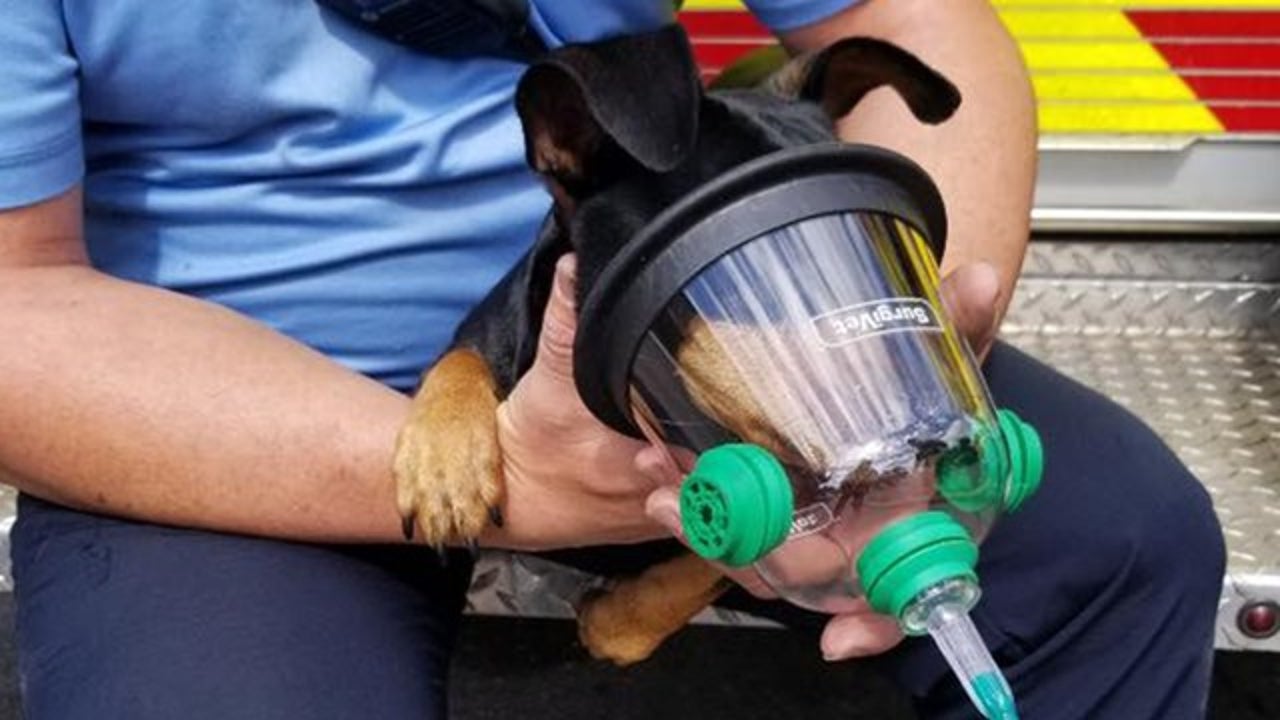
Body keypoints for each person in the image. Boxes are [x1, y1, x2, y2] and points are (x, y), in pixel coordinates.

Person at [0, 0, 1224, 717]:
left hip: (707, 339)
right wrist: (515, 485)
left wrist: (897, 369)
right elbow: (20, 304)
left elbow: (905, 20)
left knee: (1122, 546)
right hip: (231, 407)